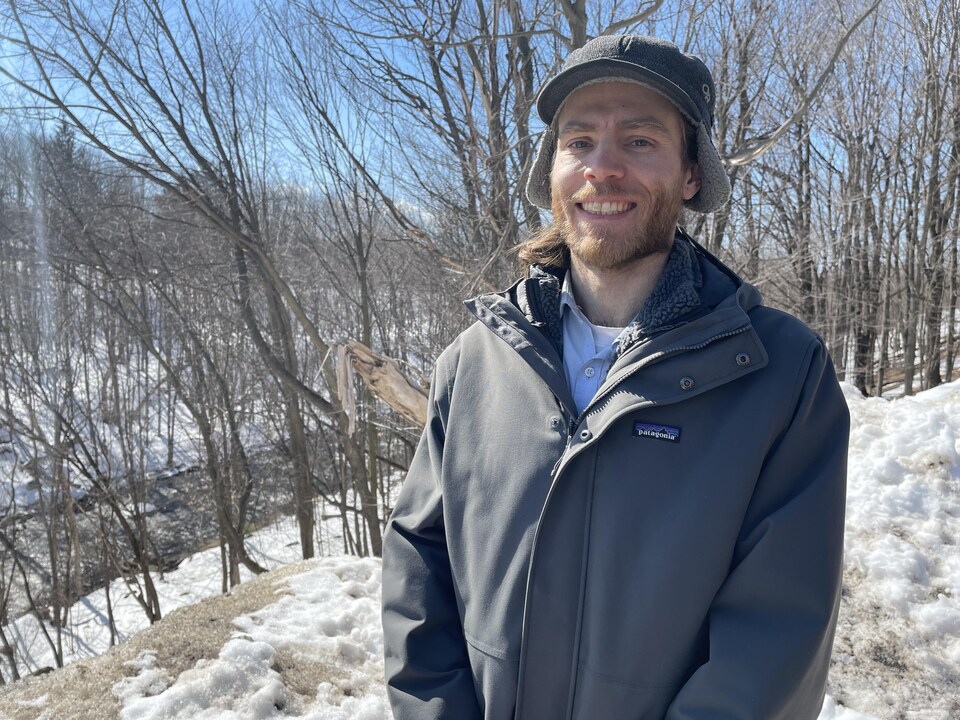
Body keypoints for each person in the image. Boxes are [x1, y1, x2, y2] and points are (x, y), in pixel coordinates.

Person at [381, 34, 849, 720]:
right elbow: (420, 565)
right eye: (579, 141)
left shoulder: (781, 374)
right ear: (551, 170)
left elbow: (776, 640)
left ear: (691, 174)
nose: (602, 169)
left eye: (640, 140)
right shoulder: (475, 362)